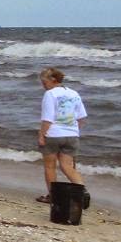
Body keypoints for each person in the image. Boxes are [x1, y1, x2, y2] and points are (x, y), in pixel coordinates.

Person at [36, 67, 86, 204]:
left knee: (50, 166)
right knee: (67, 166)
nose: (43, 86)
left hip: (53, 134)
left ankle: (53, 196)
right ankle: (81, 191)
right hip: (72, 134)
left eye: (44, 82)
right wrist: (74, 130)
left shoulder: (50, 94)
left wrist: (42, 135)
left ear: (53, 80)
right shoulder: (74, 93)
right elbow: (82, 118)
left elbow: (47, 119)